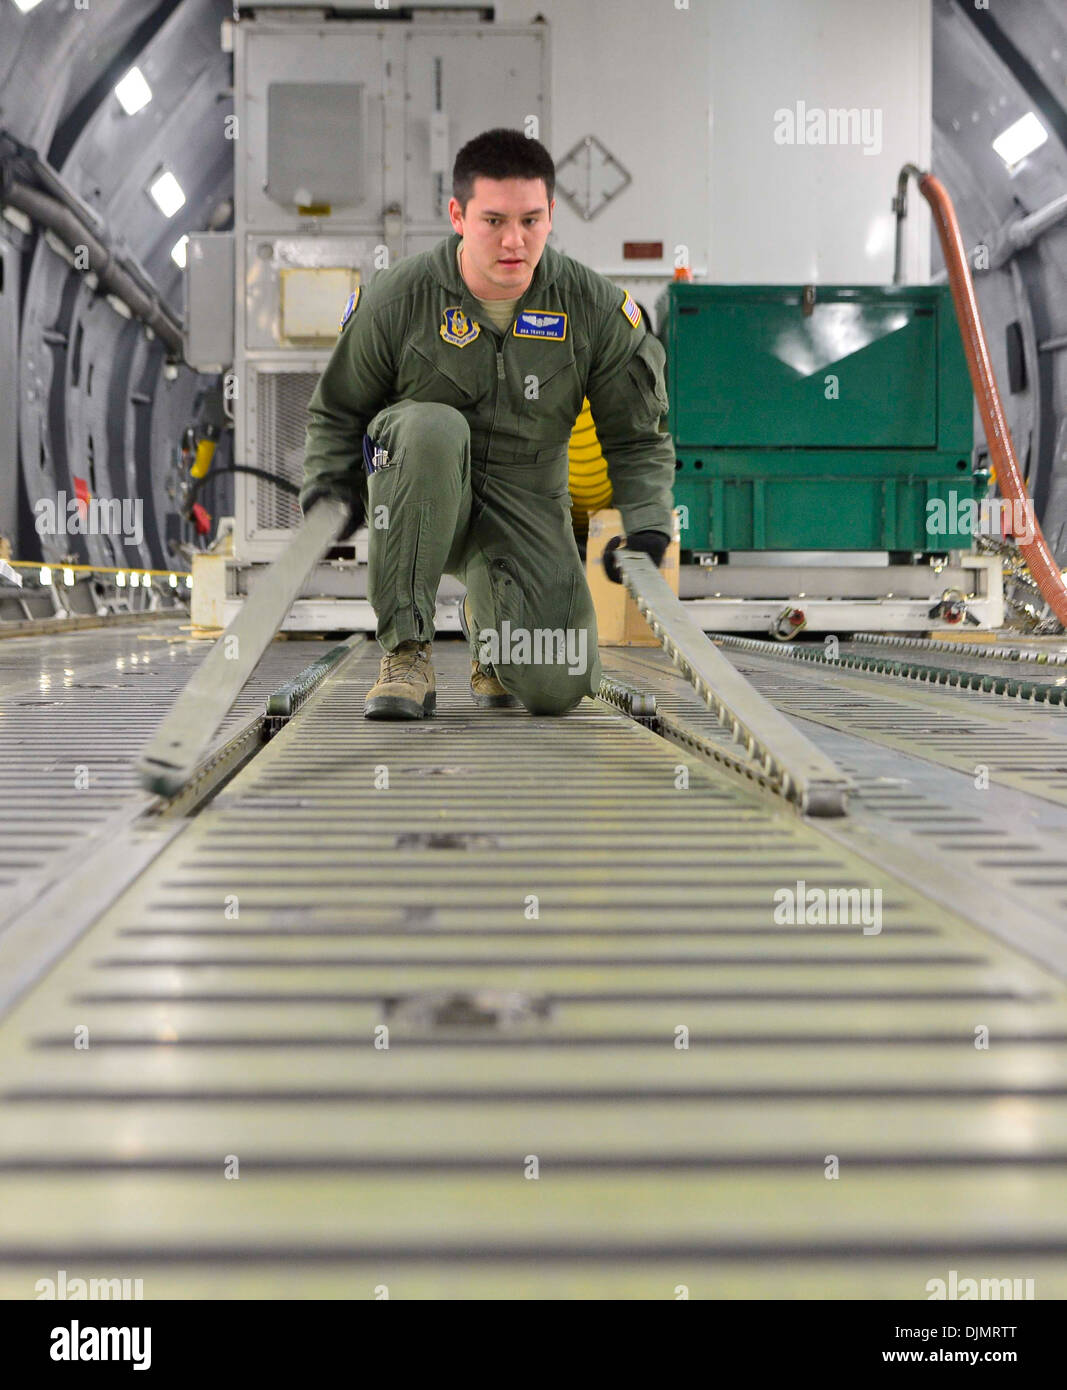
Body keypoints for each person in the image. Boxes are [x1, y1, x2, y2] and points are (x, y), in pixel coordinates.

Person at [300, 127, 675, 719]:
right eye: (493, 220)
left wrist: (649, 522)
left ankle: (491, 630)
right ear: (458, 214)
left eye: (531, 220)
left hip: (526, 499)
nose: (514, 241)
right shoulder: (401, 299)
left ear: (552, 213)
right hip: (423, 487)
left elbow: (635, 435)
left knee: (560, 683)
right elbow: (338, 409)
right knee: (431, 428)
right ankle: (407, 650)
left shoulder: (592, 307)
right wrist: (329, 485)